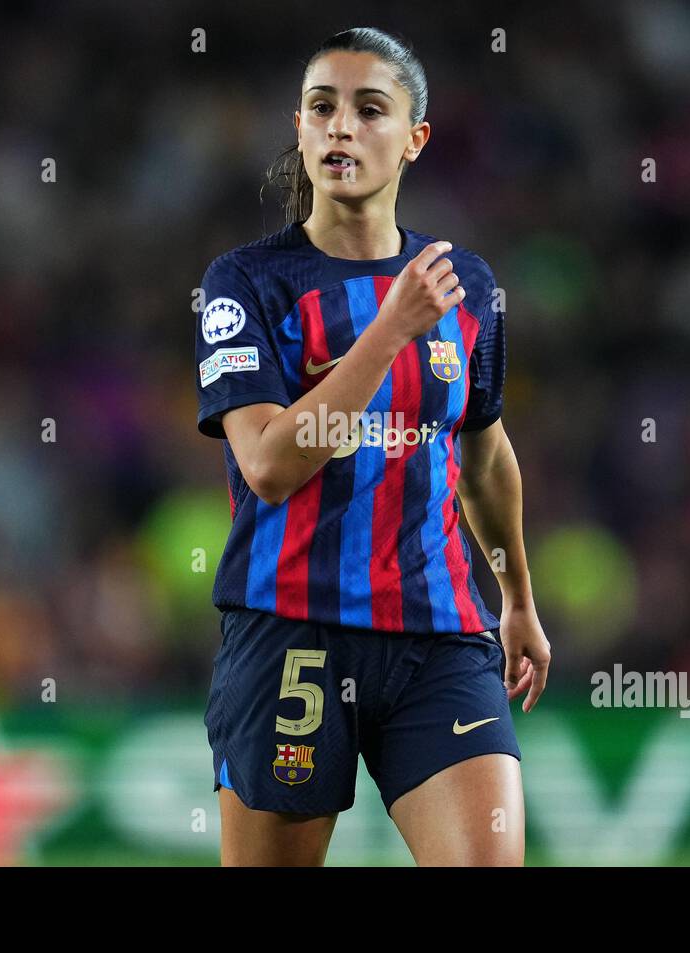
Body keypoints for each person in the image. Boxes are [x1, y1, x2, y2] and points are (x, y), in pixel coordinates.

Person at [194, 26, 550, 866]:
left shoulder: (465, 286)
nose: (340, 127)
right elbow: (271, 466)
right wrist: (387, 333)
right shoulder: (244, 283)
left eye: (368, 109)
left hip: (439, 634)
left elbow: (486, 457)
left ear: (415, 139)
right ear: (300, 126)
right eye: (321, 108)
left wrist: (518, 599)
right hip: (293, 633)